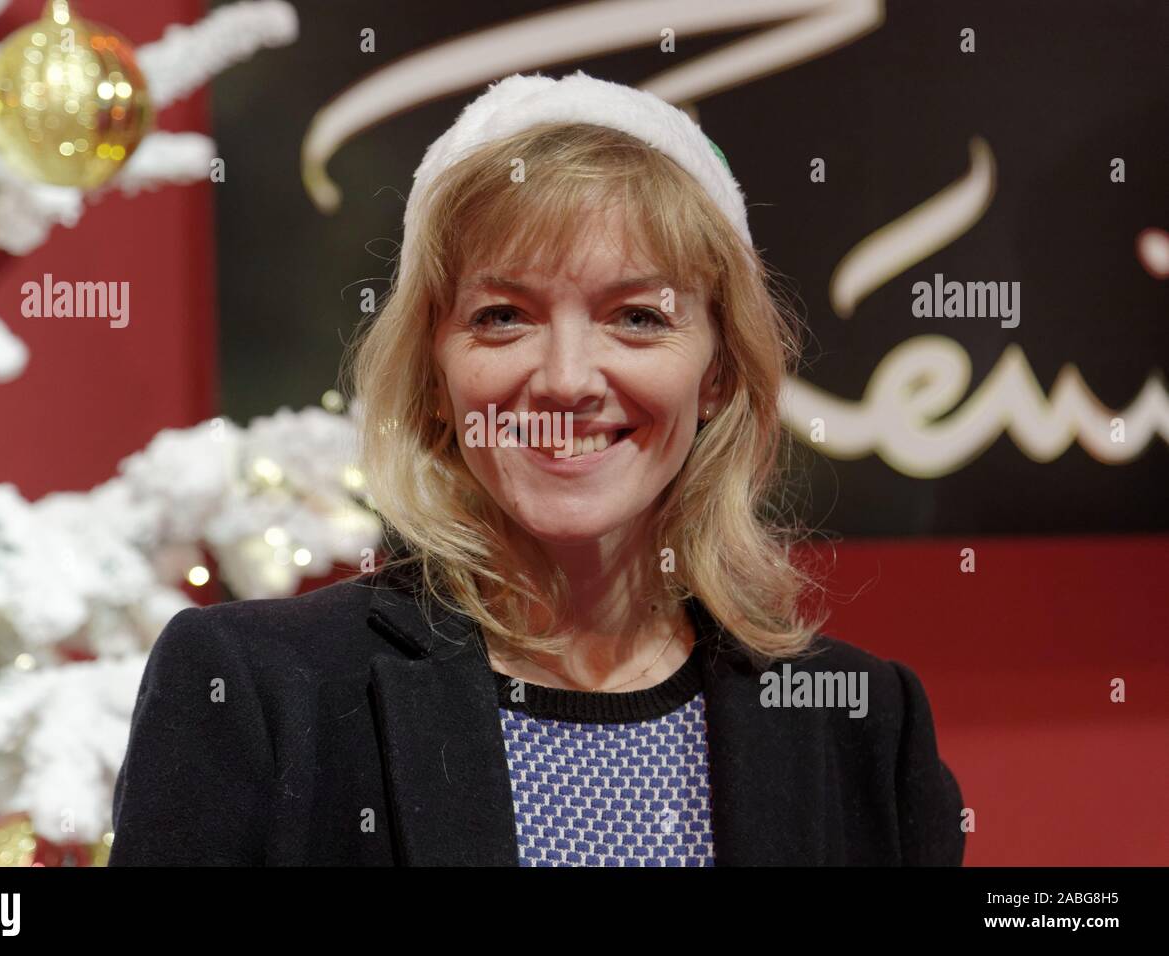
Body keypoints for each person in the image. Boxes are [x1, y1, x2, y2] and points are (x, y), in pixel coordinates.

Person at [109, 70, 965, 866]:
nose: (565, 379)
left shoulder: (863, 723)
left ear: (717, 374)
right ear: (433, 379)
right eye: (502, 316)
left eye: (635, 316)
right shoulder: (256, 693)